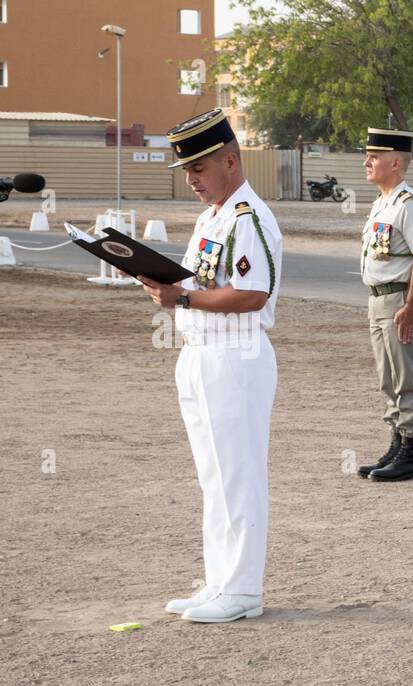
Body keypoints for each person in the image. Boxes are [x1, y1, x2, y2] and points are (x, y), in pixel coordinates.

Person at [140, 109, 282, 624]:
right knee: (213, 476)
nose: (192, 180)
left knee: (238, 475)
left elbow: (251, 293)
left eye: (199, 168)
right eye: (186, 172)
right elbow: (201, 283)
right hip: (200, 353)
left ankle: (243, 590)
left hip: (236, 354)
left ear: (230, 159)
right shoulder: (211, 217)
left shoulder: (249, 217)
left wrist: (182, 302)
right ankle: (219, 582)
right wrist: (165, 286)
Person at [356, 128, 413, 482]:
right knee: (388, 379)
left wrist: (412, 306)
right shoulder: (382, 202)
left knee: (406, 377)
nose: (367, 161)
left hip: (400, 301)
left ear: (396, 162)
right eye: (368, 155)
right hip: (379, 301)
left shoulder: (407, 204)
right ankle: (396, 443)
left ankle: (411, 453)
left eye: (375, 156)